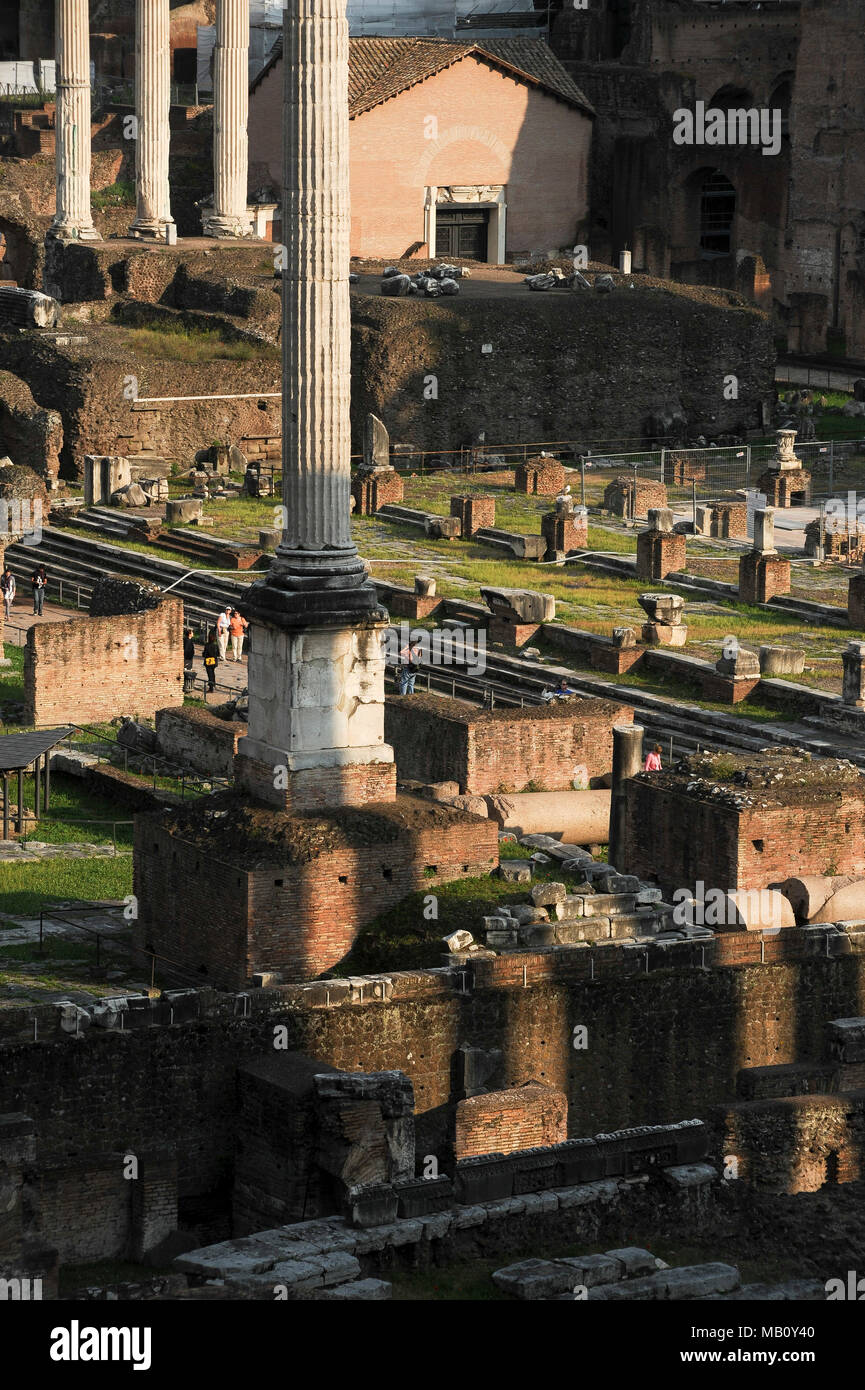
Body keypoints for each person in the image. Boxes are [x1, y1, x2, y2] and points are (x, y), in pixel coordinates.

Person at [203, 628, 220, 693]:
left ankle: (211, 687)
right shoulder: (216, 645)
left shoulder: (207, 645)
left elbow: (205, 653)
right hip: (214, 661)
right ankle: (213, 684)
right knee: (212, 673)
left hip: (208, 661)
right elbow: (218, 654)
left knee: (210, 674)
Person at [183, 628, 196, 693]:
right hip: (188, 659)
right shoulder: (187, 640)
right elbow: (187, 650)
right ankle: (187, 687)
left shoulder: (189, 640)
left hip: (189, 658)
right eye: (192, 632)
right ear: (189, 634)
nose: (193, 633)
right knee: (187, 671)